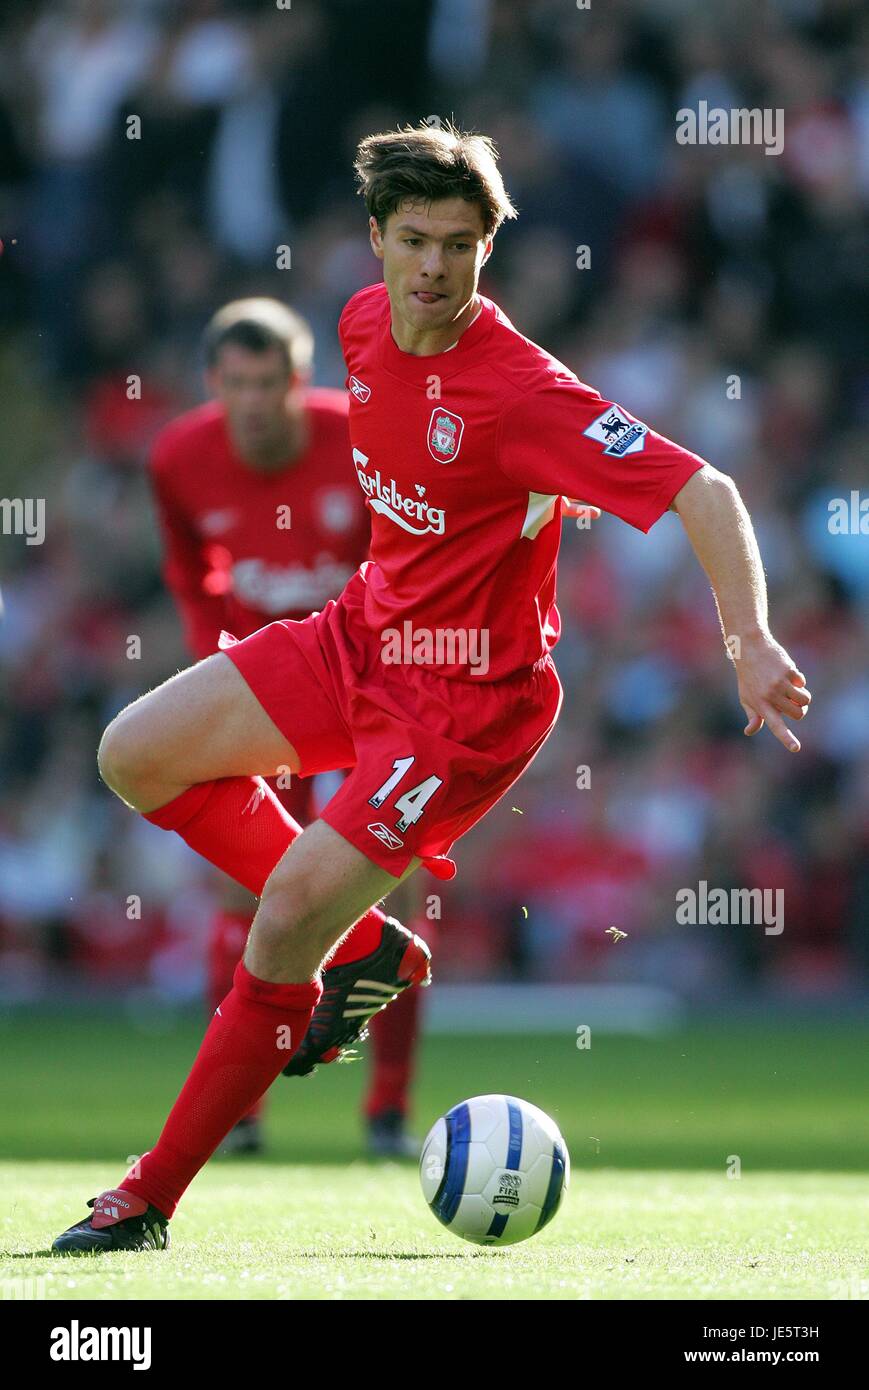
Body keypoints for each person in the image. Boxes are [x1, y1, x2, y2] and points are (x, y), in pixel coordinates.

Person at [53, 121, 810, 1253]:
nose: (434, 268)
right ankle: (360, 945)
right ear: (376, 240)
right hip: (362, 637)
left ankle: (146, 1197)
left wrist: (745, 635)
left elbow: (703, 489)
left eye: (460, 245)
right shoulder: (359, 327)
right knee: (132, 752)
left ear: (484, 251)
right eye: (414, 240)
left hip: (465, 702)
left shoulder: (520, 392)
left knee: (280, 922)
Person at [148, 297, 427, 1158]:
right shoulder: (178, 459)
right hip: (267, 694)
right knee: (246, 892)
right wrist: (215, 681)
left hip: (368, 689)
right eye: (236, 384)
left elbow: (407, 565)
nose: (254, 402)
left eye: (270, 383)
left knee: (394, 884)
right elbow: (193, 580)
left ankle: (384, 1111)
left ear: (300, 382)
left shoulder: (356, 439)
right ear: (213, 384)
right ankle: (241, 1114)